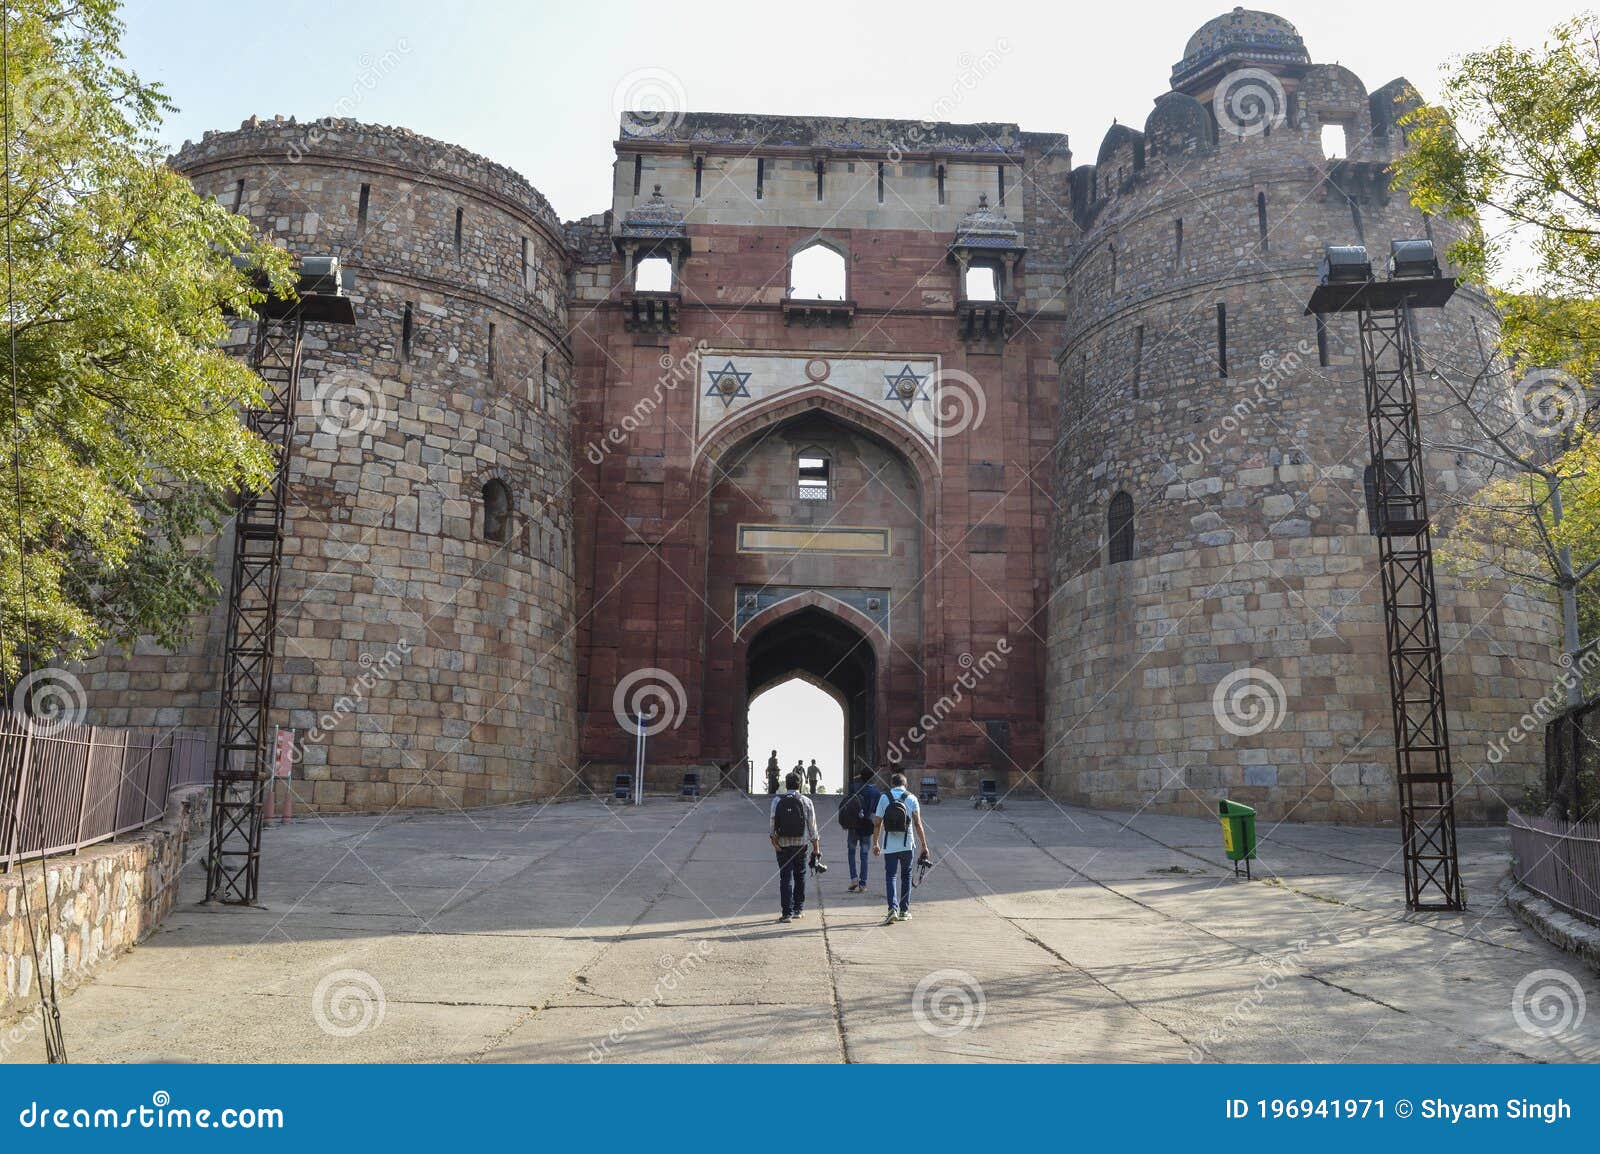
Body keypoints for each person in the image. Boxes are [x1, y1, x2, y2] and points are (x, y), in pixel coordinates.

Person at [872, 772, 930, 923]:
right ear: (906, 785)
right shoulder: (911, 798)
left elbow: (877, 823)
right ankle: (904, 911)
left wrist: (875, 843)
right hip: (907, 845)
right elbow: (918, 824)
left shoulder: (884, 797)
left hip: (889, 846)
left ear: (892, 784)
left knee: (891, 876)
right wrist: (924, 845)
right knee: (906, 877)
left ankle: (892, 909)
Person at [769, 771, 820, 923]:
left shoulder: (777, 801)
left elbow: (772, 825)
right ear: (800, 784)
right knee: (800, 876)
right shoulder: (806, 801)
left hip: (783, 845)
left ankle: (786, 914)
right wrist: (816, 848)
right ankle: (798, 910)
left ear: (786, 784)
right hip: (801, 845)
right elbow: (812, 828)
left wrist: (775, 844)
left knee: (785, 878)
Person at [837, 768, 880, 893]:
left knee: (851, 852)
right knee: (864, 854)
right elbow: (876, 813)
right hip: (867, 827)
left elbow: (848, 804)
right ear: (872, 778)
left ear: (861, 776)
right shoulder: (876, 792)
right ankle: (863, 884)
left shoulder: (854, 787)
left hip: (853, 825)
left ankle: (853, 879)